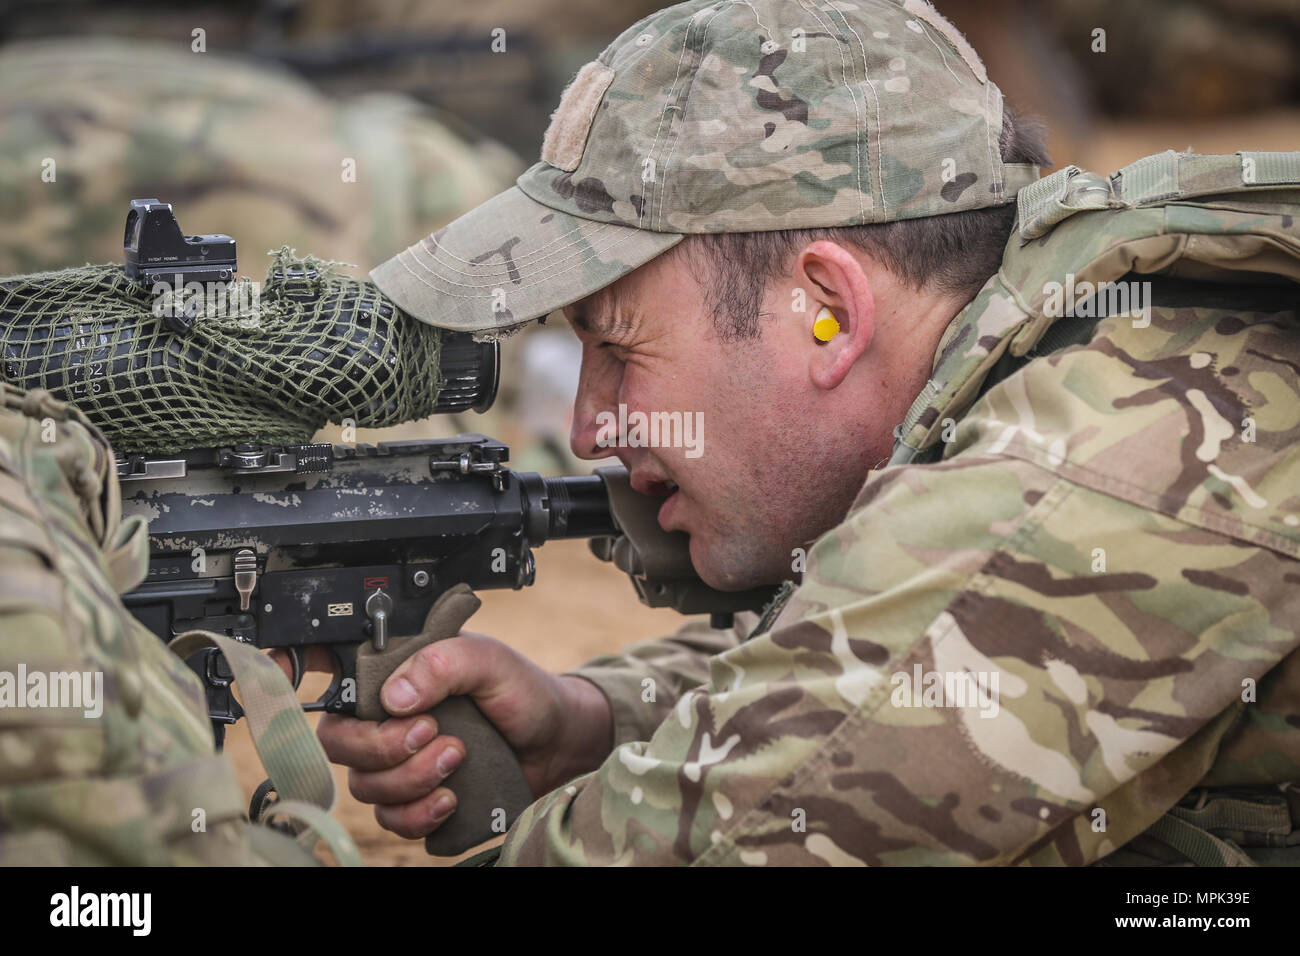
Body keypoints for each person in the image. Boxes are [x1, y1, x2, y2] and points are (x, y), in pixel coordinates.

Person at [324, 0, 1300, 865]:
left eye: (618, 344)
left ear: (826, 309)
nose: (590, 425)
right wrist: (596, 722)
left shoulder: (1088, 462)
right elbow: (872, 668)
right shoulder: (1065, 355)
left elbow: (747, 824)